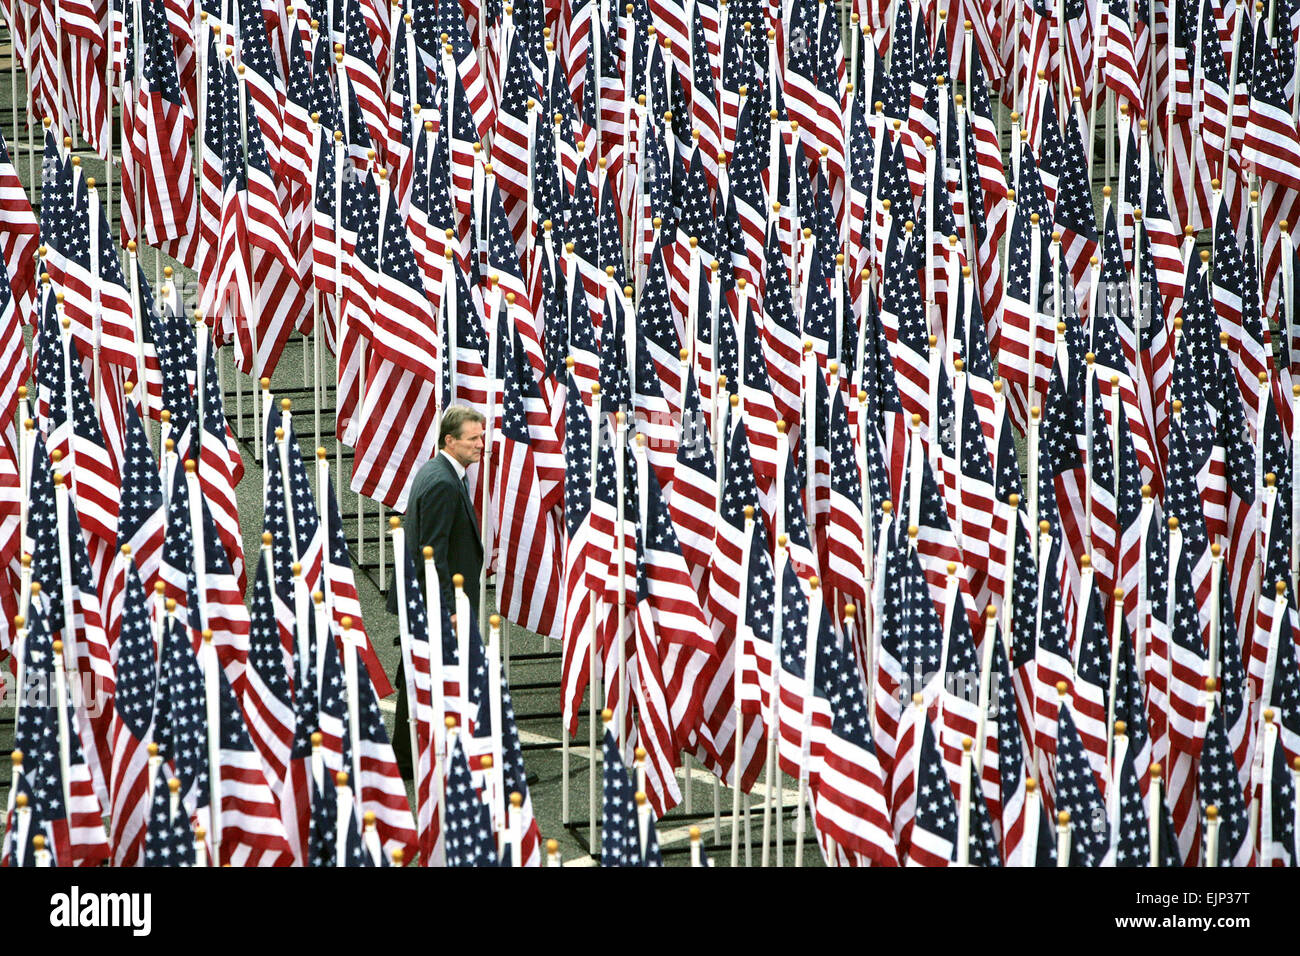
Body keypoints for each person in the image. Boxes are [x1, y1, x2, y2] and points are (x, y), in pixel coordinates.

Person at [388, 405, 486, 776]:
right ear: (451, 440)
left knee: (419, 674)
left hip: (431, 600)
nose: (481, 444)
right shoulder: (444, 483)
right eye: (473, 438)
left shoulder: (440, 472)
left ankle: (409, 755)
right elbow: (434, 555)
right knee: (428, 675)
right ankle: (419, 756)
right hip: (437, 603)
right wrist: (450, 609)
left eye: (481, 436)